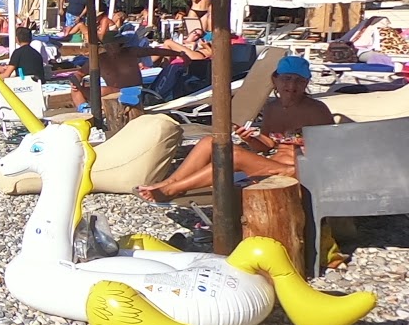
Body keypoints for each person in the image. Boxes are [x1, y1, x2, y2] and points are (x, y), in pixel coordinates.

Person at [138, 55, 332, 201]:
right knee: (208, 142)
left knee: (235, 155)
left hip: (300, 171)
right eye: (287, 79)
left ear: (306, 83)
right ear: (275, 80)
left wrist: (307, 145)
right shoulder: (273, 107)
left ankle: (172, 190)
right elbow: (266, 145)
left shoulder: (316, 110)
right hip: (274, 165)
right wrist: (249, 138)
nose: (292, 85)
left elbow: (333, 150)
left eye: (299, 80)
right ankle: (171, 182)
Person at [67, 29, 148, 112]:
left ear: (119, 44)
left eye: (114, 44)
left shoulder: (131, 52)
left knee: (102, 90)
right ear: (104, 46)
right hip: (111, 92)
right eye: (108, 45)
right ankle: (86, 111)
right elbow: (79, 73)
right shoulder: (99, 59)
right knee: (76, 90)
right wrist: (75, 81)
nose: (111, 47)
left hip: (135, 91)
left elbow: (159, 51)